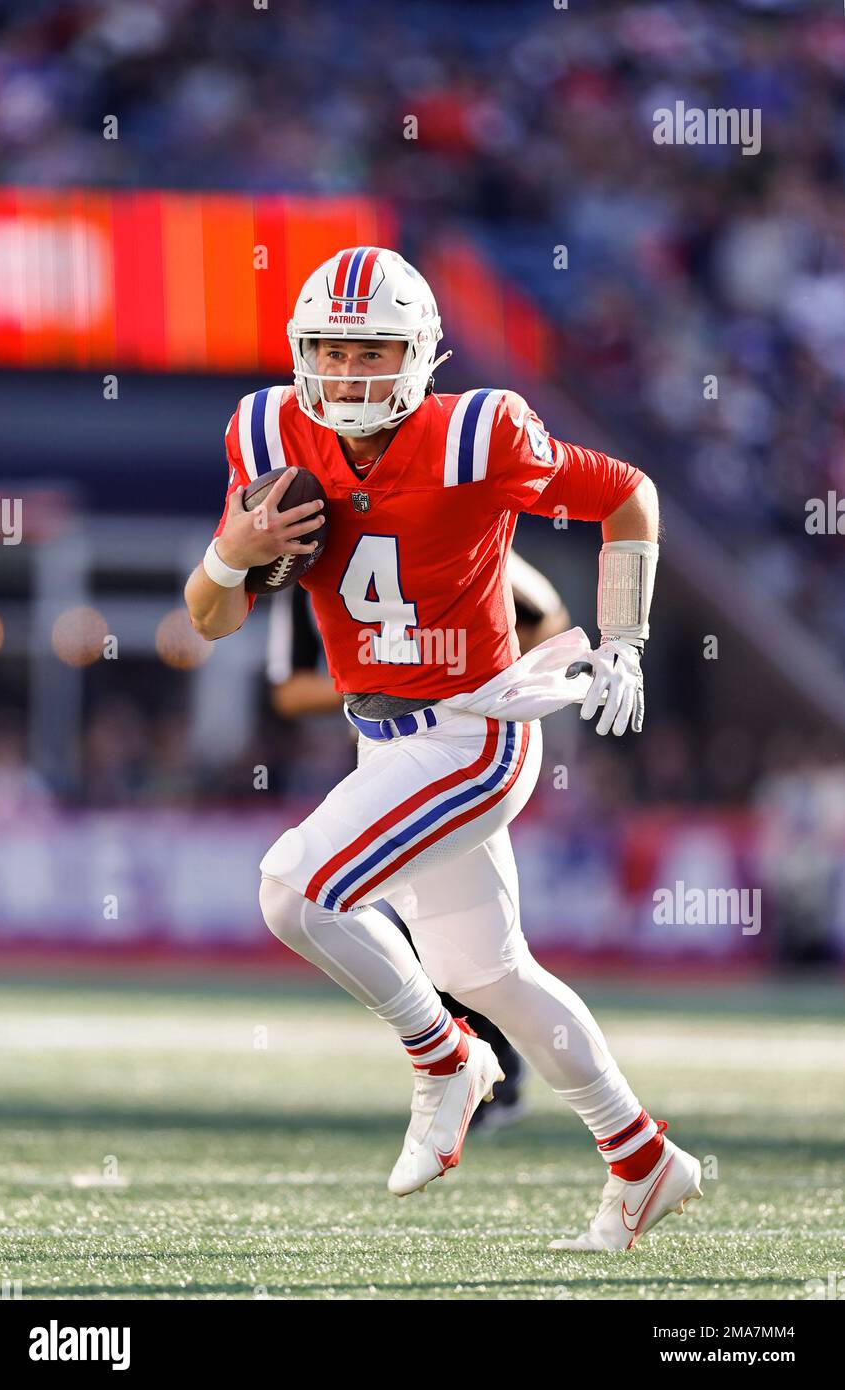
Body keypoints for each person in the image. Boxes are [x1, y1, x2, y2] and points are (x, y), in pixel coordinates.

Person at [184, 246, 703, 1251]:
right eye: (330, 351)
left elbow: (626, 493)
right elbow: (208, 621)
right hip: (376, 741)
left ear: (421, 351)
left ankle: (443, 1060)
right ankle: (642, 1159)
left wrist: (625, 638)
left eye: (372, 348)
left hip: (472, 732)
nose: (347, 373)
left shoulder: (478, 431)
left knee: (294, 891)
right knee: (490, 970)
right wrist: (227, 557)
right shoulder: (265, 431)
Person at [266, 550, 571, 1133]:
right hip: (374, 748)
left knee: (458, 935)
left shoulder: (443, 523)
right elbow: (290, 691)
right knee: (419, 922)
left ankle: (479, 1067)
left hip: (463, 745)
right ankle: (472, 1065)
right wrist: (378, 679)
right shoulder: (301, 568)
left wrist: (459, 671)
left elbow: (546, 618)